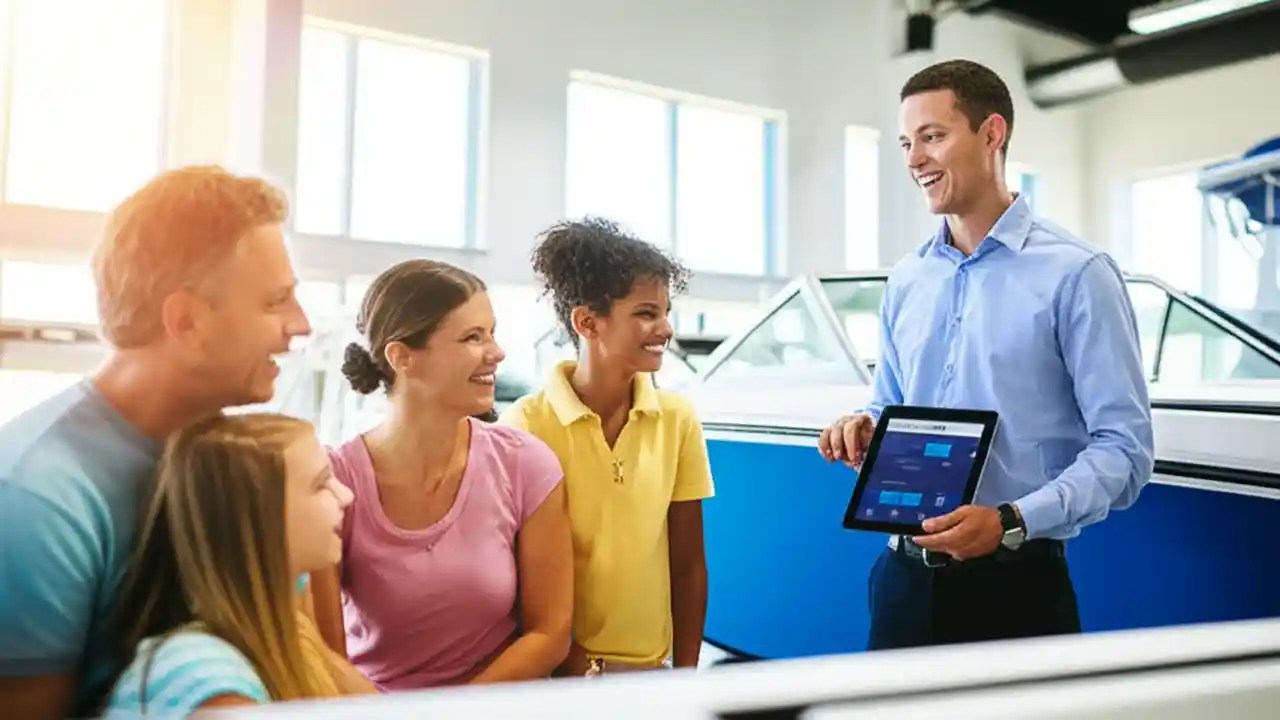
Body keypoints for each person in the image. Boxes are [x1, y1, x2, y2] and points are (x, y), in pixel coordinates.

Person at [818, 59, 1154, 650]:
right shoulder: (907, 280)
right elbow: (891, 406)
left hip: (1017, 588)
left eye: (933, 137)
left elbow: (1125, 452)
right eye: (906, 142)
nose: (914, 159)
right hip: (902, 582)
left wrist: (1009, 522)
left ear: (992, 133)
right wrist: (865, 430)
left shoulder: (1078, 274)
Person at [0, 166, 312, 719]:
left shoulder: (250, 468)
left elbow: (303, 663)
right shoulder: (35, 498)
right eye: (276, 301)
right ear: (186, 321)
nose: (301, 324)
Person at [310, 259, 573, 689]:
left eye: (492, 332)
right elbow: (325, 657)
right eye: (473, 337)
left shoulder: (526, 463)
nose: (497, 352)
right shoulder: (335, 481)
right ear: (402, 357)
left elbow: (550, 634)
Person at [500, 217, 714, 675]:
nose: (665, 328)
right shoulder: (527, 423)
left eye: (665, 311)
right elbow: (510, 573)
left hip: (648, 676)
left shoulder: (678, 419)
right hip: (554, 677)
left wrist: (687, 676)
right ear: (587, 322)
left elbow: (688, 563)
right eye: (645, 313)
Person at [102, 414, 372, 717]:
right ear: (259, 519)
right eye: (321, 484)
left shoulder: (292, 628)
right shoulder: (203, 674)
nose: (346, 496)